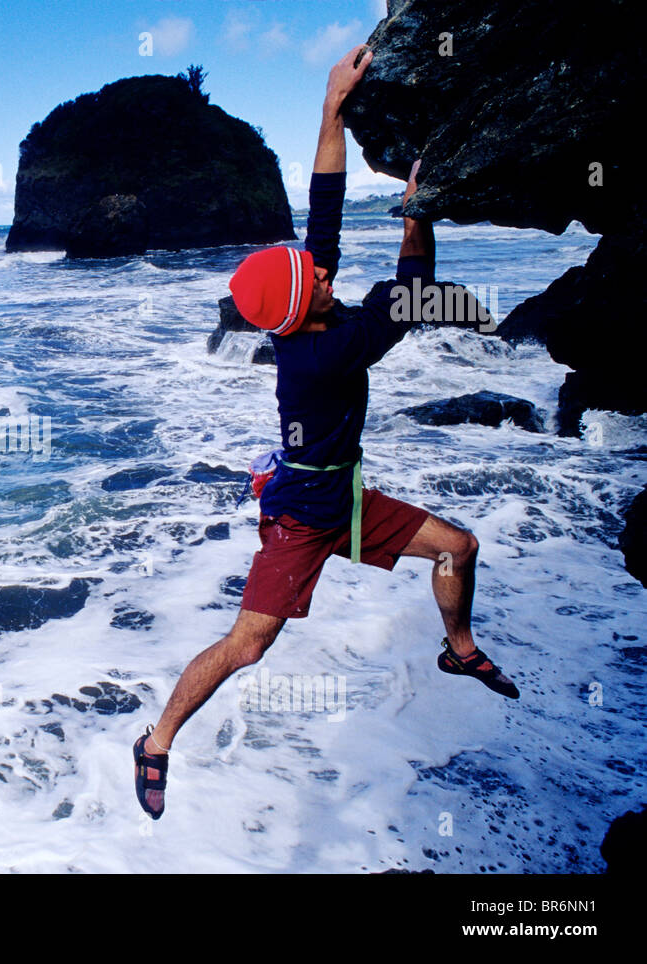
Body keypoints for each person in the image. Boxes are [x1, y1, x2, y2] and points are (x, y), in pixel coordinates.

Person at [133, 44, 519, 821]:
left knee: (458, 546)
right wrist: (417, 214)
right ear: (306, 308)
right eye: (316, 278)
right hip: (304, 518)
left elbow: (327, 203)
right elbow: (412, 294)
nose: (325, 270)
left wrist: (330, 107)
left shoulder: (305, 308)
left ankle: (458, 648)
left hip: (342, 493)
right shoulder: (328, 353)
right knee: (250, 644)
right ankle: (157, 740)